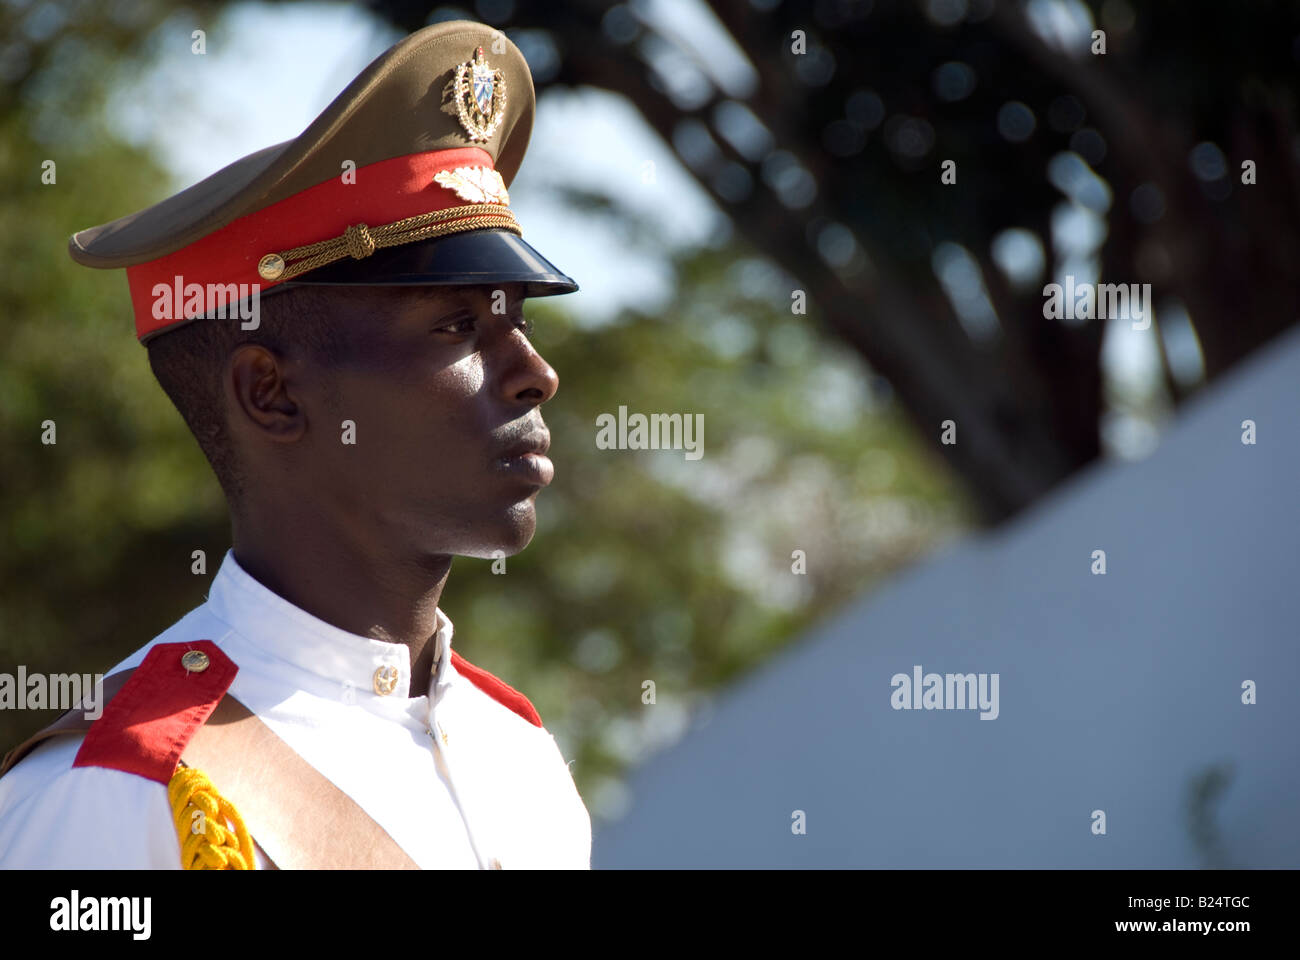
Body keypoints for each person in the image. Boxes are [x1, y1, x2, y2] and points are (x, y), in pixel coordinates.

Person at [0, 20, 591, 869]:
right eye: (459, 325)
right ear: (269, 395)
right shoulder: (113, 792)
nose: (536, 374)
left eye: (520, 321)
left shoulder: (521, 755)